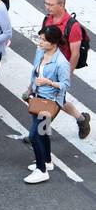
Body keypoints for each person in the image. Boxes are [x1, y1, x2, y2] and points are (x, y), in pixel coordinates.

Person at [39, 0, 93, 139]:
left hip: (61, 71)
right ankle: (82, 119)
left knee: (51, 101)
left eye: (50, 4)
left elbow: (74, 54)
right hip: (47, 67)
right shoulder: (47, 20)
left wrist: (67, 76)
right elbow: (43, 44)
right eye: (46, 3)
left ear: (61, 4)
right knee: (56, 100)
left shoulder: (72, 26)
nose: (47, 7)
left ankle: (38, 134)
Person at [25, 24, 72, 185]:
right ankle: (47, 161)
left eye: (44, 40)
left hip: (50, 103)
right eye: (40, 39)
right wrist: (30, 90)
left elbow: (65, 85)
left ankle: (41, 170)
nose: (40, 42)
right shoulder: (40, 52)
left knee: (34, 135)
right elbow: (35, 72)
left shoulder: (61, 62)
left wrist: (49, 82)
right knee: (43, 132)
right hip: (37, 99)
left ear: (53, 43)